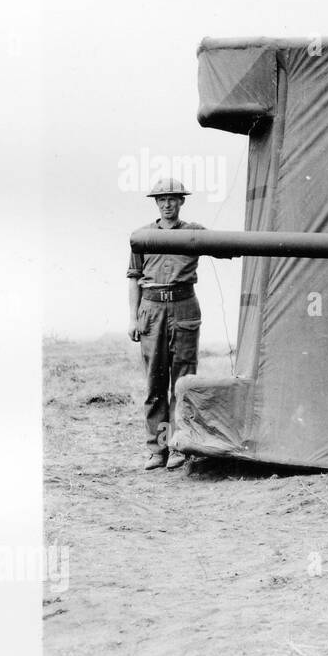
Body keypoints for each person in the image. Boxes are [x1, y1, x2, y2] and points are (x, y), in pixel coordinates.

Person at [128, 177, 207, 470]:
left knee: (184, 381)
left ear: (181, 201)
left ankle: (179, 447)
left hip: (184, 306)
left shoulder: (194, 233)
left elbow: (224, 247)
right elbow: (134, 277)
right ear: (156, 203)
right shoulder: (142, 236)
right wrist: (134, 317)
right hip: (151, 310)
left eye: (173, 198)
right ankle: (157, 449)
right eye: (162, 199)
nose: (167, 204)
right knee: (155, 382)